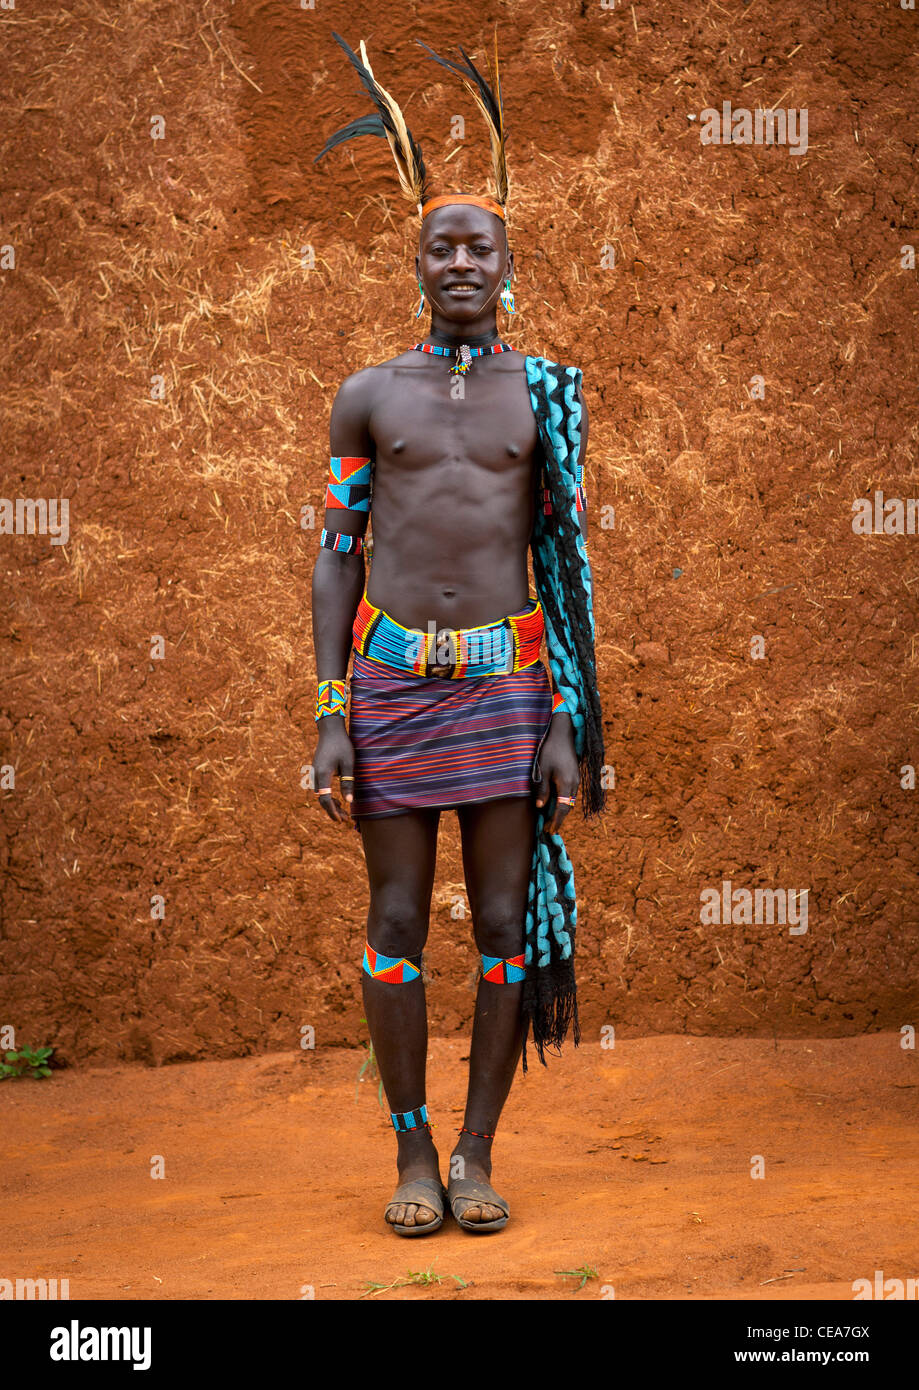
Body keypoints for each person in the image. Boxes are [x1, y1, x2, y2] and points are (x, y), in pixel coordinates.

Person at [311, 33, 606, 1236]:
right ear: (416, 263)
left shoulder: (543, 396)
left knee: (494, 926)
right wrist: (329, 712)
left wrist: (563, 724)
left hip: (506, 693)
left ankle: (479, 1150)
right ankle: (411, 1149)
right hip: (385, 687)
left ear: (507, 261)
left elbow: (564, 568)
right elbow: (336, 551)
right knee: (392, 924)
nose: (461, 260)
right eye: (442, 244)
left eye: (480, 244)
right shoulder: (366, 393)